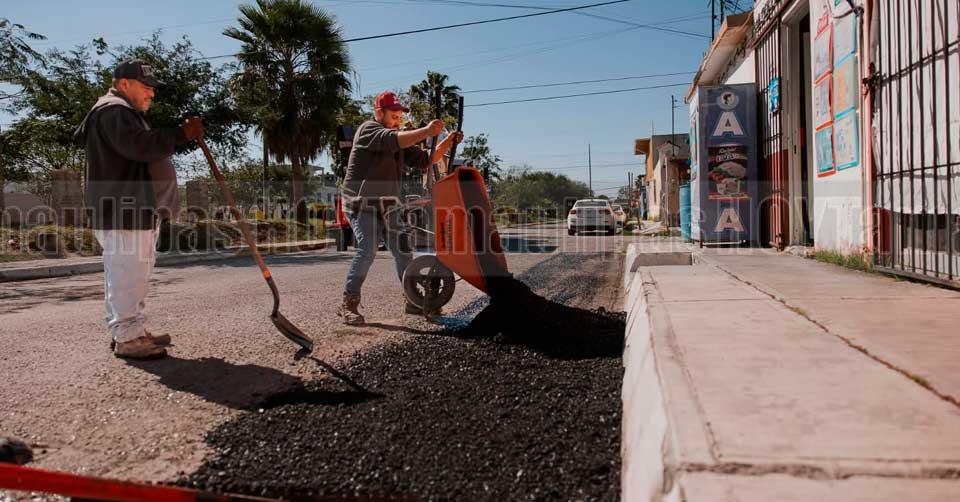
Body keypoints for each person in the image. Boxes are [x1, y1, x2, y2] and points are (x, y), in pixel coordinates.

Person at [74, 59, 203, 359]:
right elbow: (140, 146)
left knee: (136, 276)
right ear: (124, 84)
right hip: (122, 210)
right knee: (126, 277)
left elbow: (141, 148)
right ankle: (127, 337)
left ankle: (133, 329)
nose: (152, 94)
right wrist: (180, 134)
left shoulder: (122, 113)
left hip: (135, 209)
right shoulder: (112, 111)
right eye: (146, 87)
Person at [338, 90, 461, 325]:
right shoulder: (368, 131)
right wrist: (426, 131)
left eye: (399, 116)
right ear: (379, 113)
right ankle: (349, 302)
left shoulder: (400, 138)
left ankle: (413, 300)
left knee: (403, 250)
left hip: (388, 205)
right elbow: (394, 140)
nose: (397, 120)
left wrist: (447, 141)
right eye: (393, 115)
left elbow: (428, 159)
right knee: (368, 248)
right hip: (360, 203)